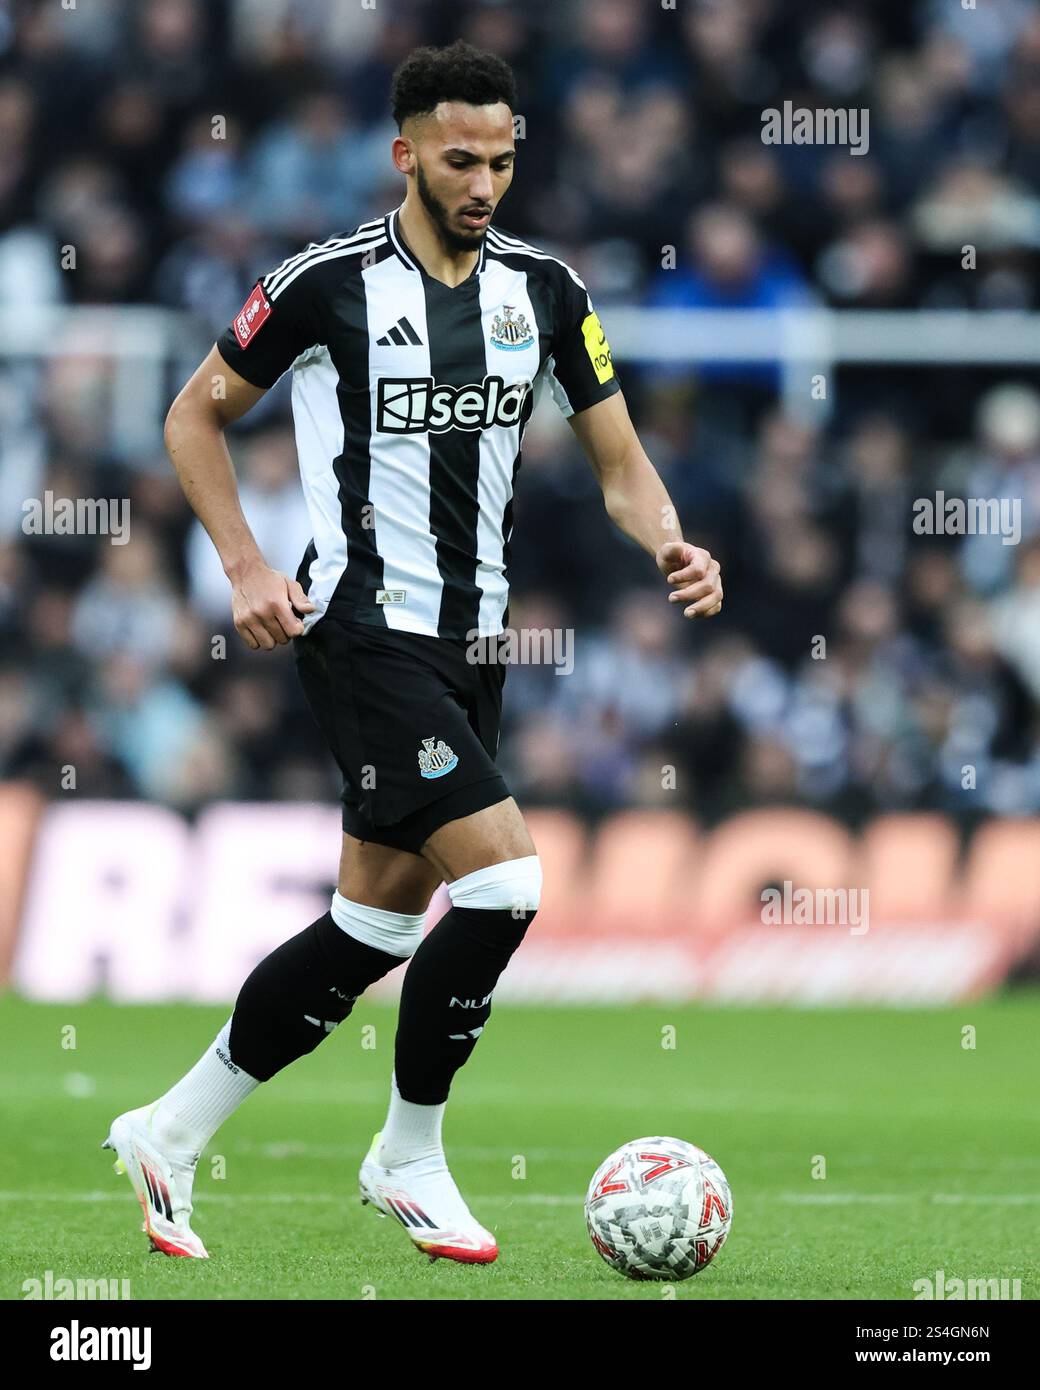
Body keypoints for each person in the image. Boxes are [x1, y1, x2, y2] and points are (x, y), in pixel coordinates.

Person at [102, 39, 723, 1265]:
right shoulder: (324, 284)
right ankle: (409, 1152)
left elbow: (617, 459)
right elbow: (194, 414)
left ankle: (168, 1130)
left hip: (471, 643)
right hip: (363, 629)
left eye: (500, 158)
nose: (483, 179)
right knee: (504, 885)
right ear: (404, 156)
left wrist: (670, 541)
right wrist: (241, 563)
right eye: (458, 158)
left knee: (372, 929)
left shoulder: (547, 291)